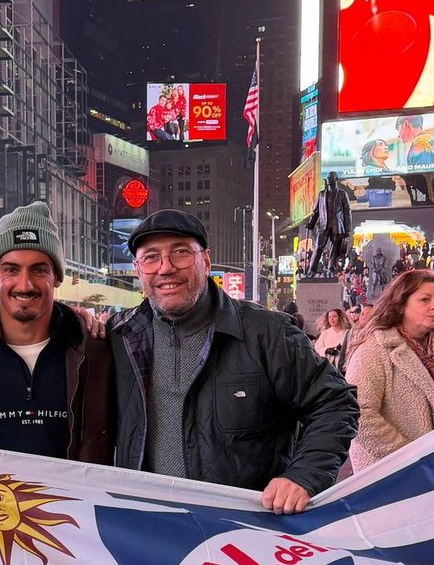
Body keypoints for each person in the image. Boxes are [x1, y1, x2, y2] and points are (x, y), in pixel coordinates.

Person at [110, 209, 358, 513]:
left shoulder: (267, 333)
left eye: (181, 253)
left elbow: (334, 403)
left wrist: (303, 476)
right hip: (149, 527)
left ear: (206, 261)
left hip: (244, 529)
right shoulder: (119, 337)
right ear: (138, 269)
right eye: (151, 257)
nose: (166, 268)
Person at [0, 202, 112, 463]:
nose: (25, 285)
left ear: (57, 277)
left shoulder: (97, 352)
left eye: (39, 270)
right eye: (11, 269)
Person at [346, 270, 434, 473]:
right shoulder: (375, 349)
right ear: (401, 305)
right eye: (424, 300)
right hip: (389, 476)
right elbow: (357, 414)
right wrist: (411, 456)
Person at [307, 172, 352, 276]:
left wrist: (347, 229)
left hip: (337, 226)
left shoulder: (342, 194)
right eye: (327, 178)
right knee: (318, 247)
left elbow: (347, 211)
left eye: (330, 178)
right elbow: (316, 211)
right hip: (323, 226)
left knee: (334, 250)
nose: (328, 180)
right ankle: (311, 271)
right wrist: (311, 222)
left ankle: (330, 270)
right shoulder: (321, 194)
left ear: (336, 179)